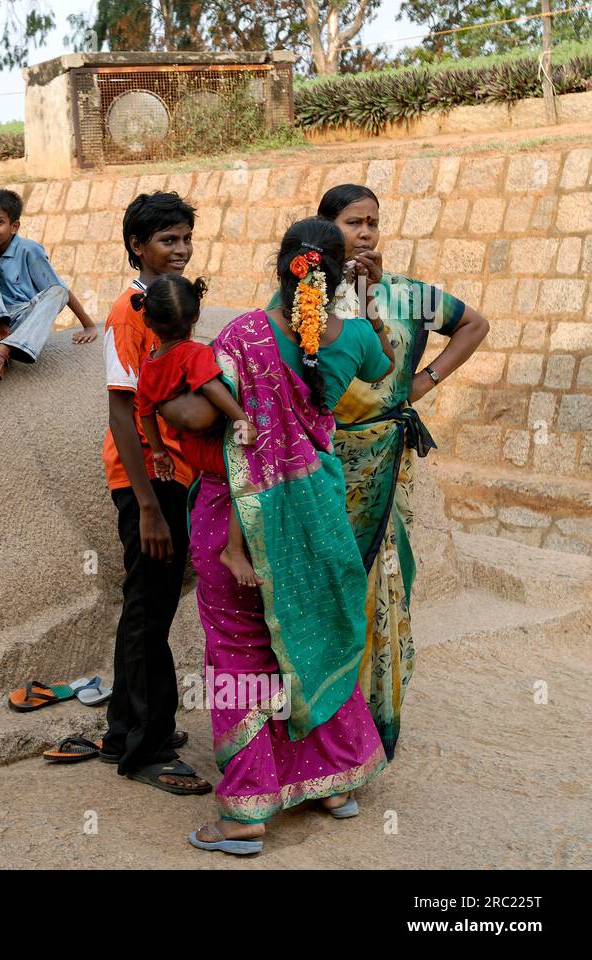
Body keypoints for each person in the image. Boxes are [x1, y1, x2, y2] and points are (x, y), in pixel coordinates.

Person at [170, 218, 395, 855]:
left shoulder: (243, 334)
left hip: (240, 521)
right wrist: (366, 300)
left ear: (281, 266)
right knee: (312, 636)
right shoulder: (350, 336)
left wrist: (159, 384)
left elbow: (201, 415)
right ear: (333, 271)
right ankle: (332, 782)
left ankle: (245, 813)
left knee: (242, 652)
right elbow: (382, 367)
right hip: (318, 516)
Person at [308, 183, 489, 760]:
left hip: (388, 463)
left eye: (372, 223)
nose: (364, 233)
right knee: (327, 585)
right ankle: (320, 729)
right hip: (323, 462)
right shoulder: (307, 300)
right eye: (352, 223)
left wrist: (426, 380)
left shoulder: (408, 296)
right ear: (325, 229)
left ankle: (369, 722)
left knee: (383, 585)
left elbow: (474, 325)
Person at [98, 192, 210, 795]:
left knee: (148, 606)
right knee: (149, 611)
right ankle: (147, 749)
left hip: (171, 475)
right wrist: (146, 506)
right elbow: (121, 411)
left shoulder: (168, 305)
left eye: (186, 239)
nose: (182, 250)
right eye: (169, 240)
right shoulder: (128, 313)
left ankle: (126, 731)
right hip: (146, 478)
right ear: (138, 246)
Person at [130, 274, 260, 587]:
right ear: (196, 317)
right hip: (212, 446)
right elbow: (211, 387)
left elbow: (145, 412)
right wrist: (241, 417)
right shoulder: (195, 353)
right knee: (245, 479)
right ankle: (234, 549)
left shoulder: (149, 365)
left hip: (190, 447)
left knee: (219, 480)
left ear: (147, 319)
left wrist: (159, 450)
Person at [0, 189, 97, 385]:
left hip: (20, 323)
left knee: (58, 291)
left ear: (14, 226)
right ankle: (1, 331)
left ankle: (3, 350)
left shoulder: (30, 250)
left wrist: (88, 325)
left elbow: (60, 290)